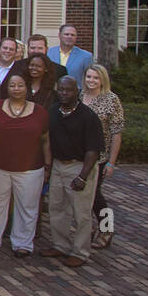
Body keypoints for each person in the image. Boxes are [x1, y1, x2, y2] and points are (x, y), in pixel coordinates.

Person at [0, 73, 49, 259]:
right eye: (12, 85)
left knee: (27, 207)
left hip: (30, 168)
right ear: (7, 88)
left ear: (27, 88)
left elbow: (45, 140)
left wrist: (48, 165)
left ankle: (22, 243)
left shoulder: (40, 112)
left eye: (20, 85)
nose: (16, 89)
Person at [42, 76, 104, 268]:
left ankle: (80, 252)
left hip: (80, 166)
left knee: (81, 213)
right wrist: (49, 167)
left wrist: (83, 176)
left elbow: (93, 149)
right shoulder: (53, 112)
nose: (64, 93)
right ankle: (60, 245)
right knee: (57, 208)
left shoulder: (88, 117)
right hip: (59, 166)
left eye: (68, 90)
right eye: (60, 89)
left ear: (77, 91)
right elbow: (47, 142)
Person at [81, 63, 124, 250]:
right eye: (89, 77)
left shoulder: (111, 99)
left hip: (100, 156)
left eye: (95, 78)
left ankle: (107, 228)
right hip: (79, 155)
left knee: (95, 195)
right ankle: (87, 228)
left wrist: (111, 163)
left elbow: (116, 133)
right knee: (82, 195)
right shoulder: (80, 96)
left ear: (102, 80)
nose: (91, 80)